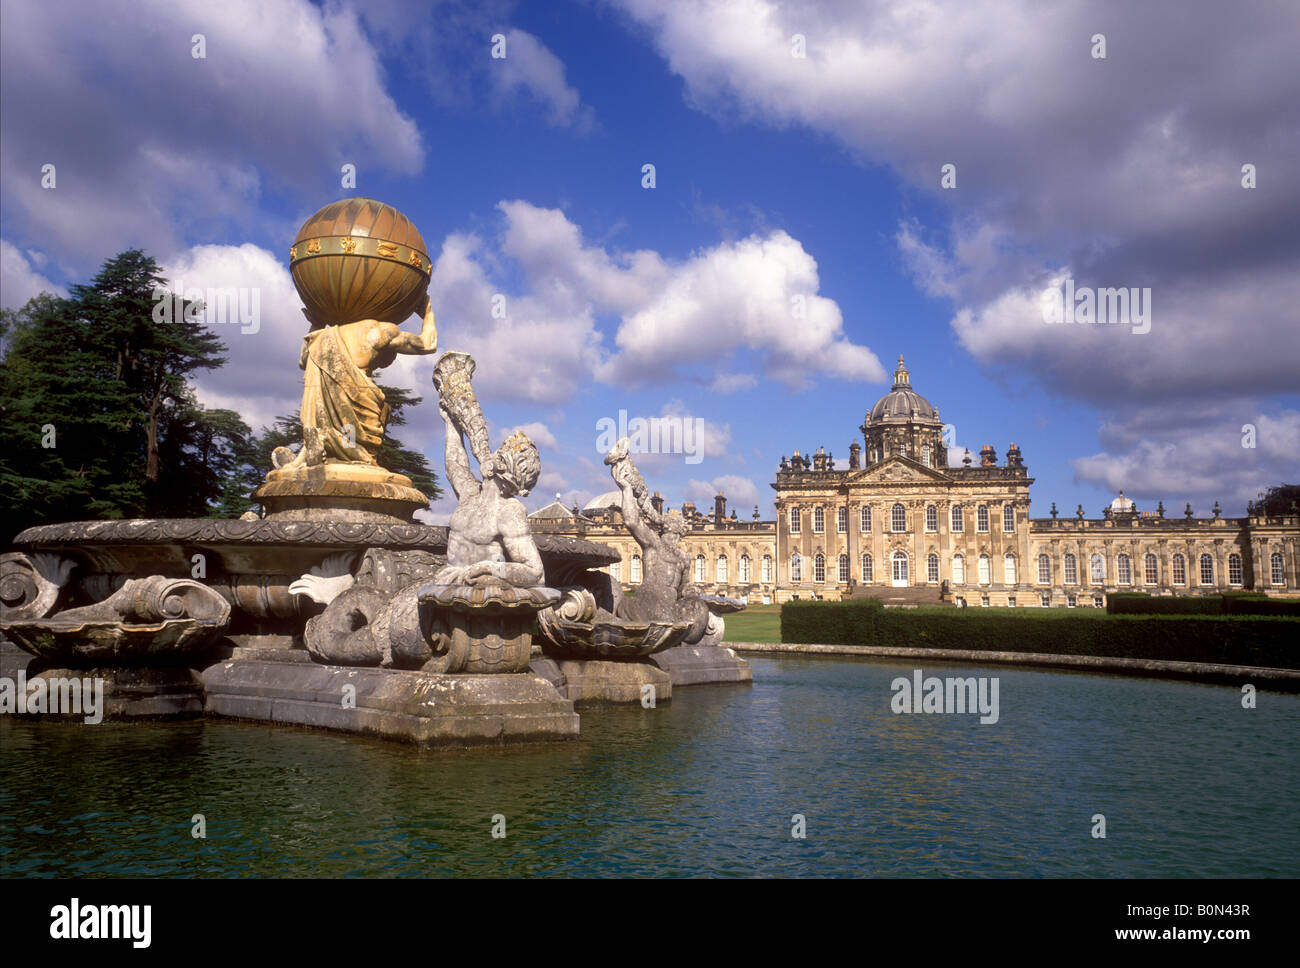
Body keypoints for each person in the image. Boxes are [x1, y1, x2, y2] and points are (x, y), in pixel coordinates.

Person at [276, 295, 438, 470]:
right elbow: (427, 344)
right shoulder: (382, 331)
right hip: (361, 396)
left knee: (333, 433)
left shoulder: (323, 336)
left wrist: (317, 323)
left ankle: (311, 449)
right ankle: (332, 446)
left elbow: (303, 361)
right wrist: (427, 312)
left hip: (322, 410)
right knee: (363, 454)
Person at [433, 407, 544, 587]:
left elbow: (535, 573)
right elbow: (454, 464)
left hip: (479, 595)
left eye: (496, 453)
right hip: (447, 584)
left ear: (496, 467)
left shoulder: (509, 511)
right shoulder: (470, 494)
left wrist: (489, 568)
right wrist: (451, 422)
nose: (488, 455)